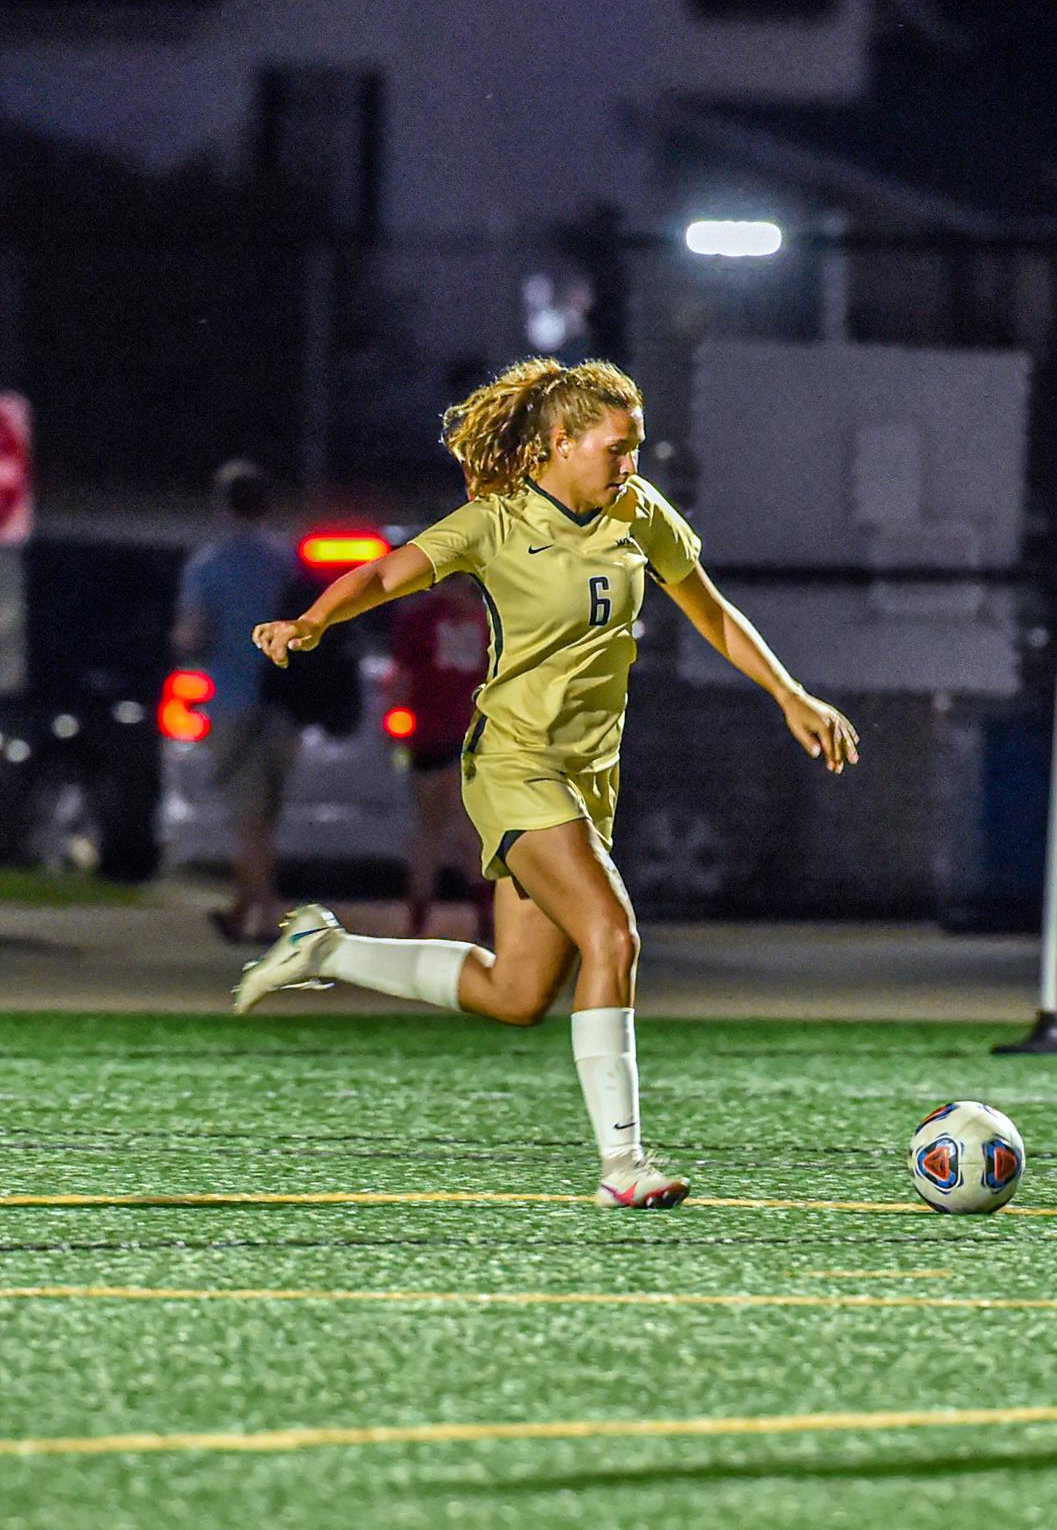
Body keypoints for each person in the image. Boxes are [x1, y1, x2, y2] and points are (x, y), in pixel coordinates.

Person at [231, 358, 859, 1210]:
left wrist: (789, 693)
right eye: (617, 447)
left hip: (588, 777)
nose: (631, 464)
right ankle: (623, 1165)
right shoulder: (494, 522)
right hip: (514, 765)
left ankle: (327, 949)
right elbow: (386, 574)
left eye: (636, 448)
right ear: (560, 444)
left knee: (517, 993)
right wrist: (311, 622)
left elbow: (709, 609)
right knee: (614, 934)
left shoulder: (637, 513)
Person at [174, 460, 301, 943]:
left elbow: (191, 633)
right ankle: (244, 907)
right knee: (267, 815)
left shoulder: (209, 565)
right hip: (285, 701)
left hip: (232, 698)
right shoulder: (287, 561)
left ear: (224, 506)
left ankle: (264, 915)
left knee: (246, 819)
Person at [387, 575, 493, 941]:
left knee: (428, 831)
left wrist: (395, 728)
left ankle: (418, 919)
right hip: (476, 734)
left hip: (430, 733)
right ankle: (485, 913)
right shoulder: (487, 620)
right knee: (471, 830)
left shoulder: (420, 617)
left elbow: (402, 677)